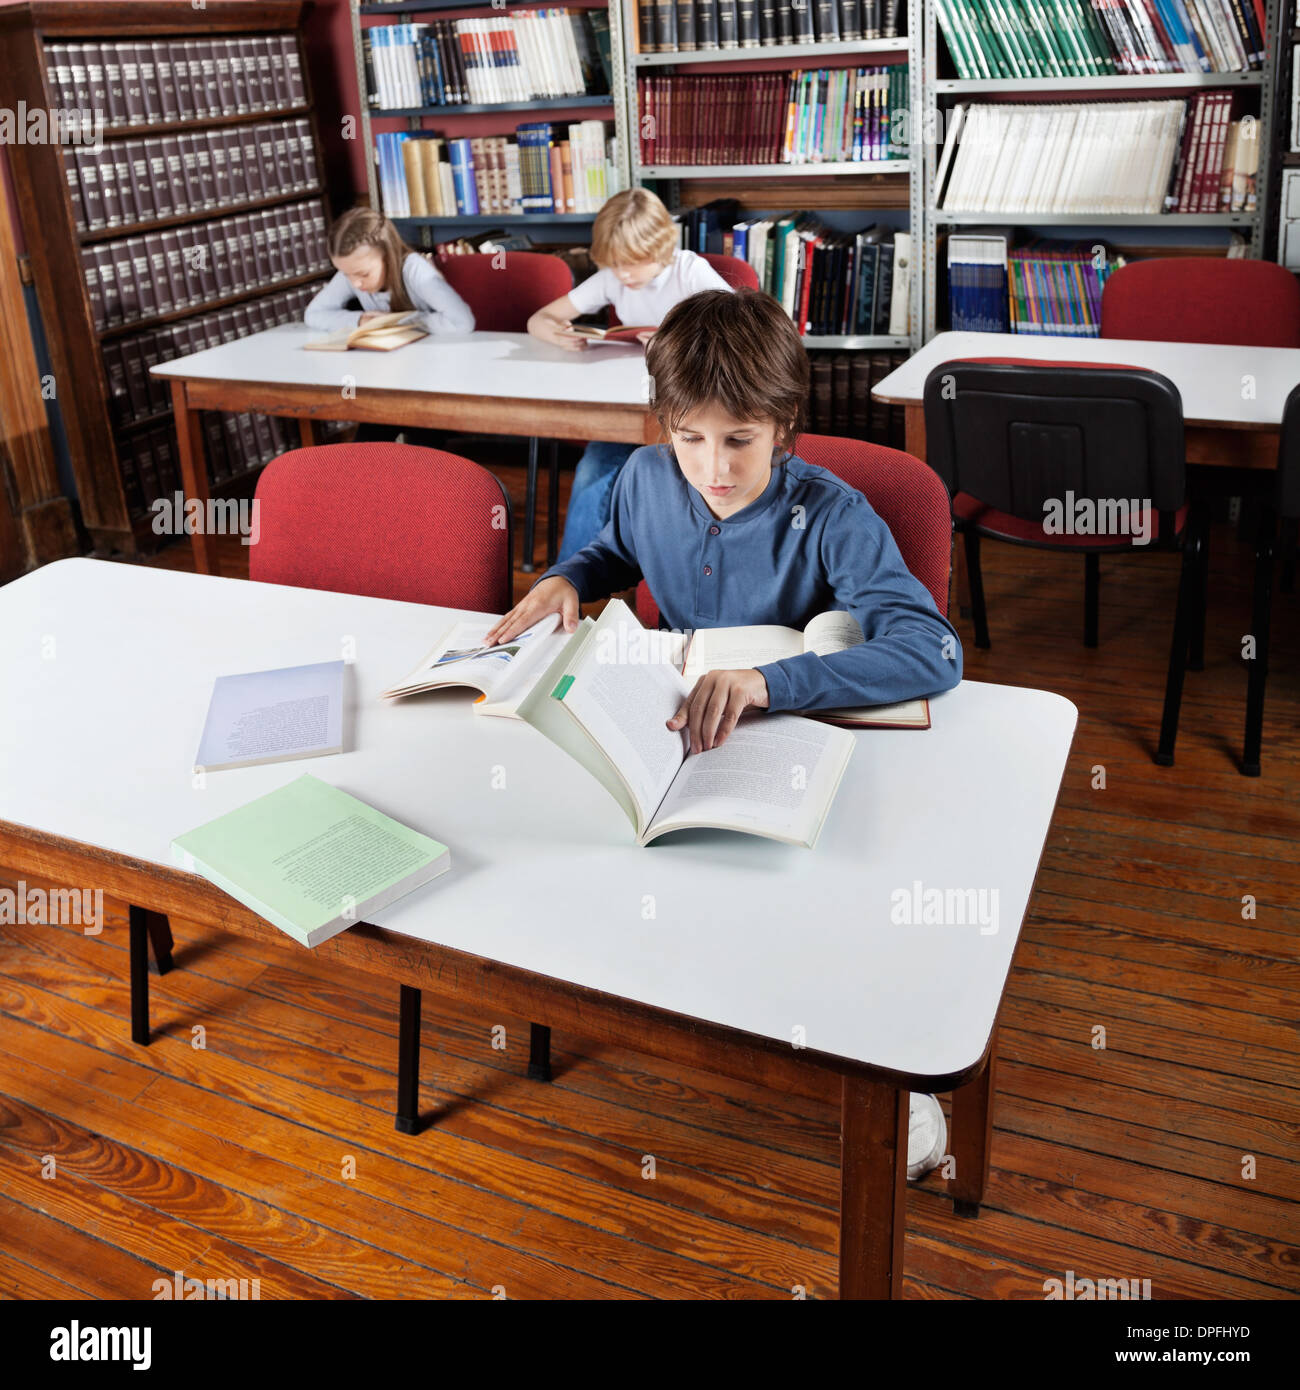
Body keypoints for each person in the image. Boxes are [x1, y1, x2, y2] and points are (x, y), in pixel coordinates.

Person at [489, 287, 962, 1183]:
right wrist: (564, 576)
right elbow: (615, 553)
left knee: (837, 889)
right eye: (690, 437)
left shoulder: (831, 514)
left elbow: (933, 651)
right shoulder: (643, 479)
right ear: (665, 424)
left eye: (739, 440)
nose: (713, 467)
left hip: (789, 742)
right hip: (676, 736)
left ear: (785, 425)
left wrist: (768, 684)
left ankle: (895, 1075)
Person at [526, 188, 733, 560]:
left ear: (660, 248)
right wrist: (552, 331)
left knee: (670, 479)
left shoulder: (689, 271)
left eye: (632, 262)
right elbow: (539, 319)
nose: (622, 273)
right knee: (593, 469)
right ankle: (568, 579)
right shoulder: (613, 278)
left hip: (695, 409)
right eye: (615, 263)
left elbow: (740, 332)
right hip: (631, 404)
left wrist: (673, 344)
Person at [304, 207, 475, 444]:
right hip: (386, 383)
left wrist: (403, 321)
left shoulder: (414, 269)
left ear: (386, 254)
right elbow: (313, 313)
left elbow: (463, 321)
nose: (355, 283)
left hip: (430, 383)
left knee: (424, 451)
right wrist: (358, 320)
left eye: (363, 274)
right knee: (365, 448)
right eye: (346, 274)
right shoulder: (353, 273)